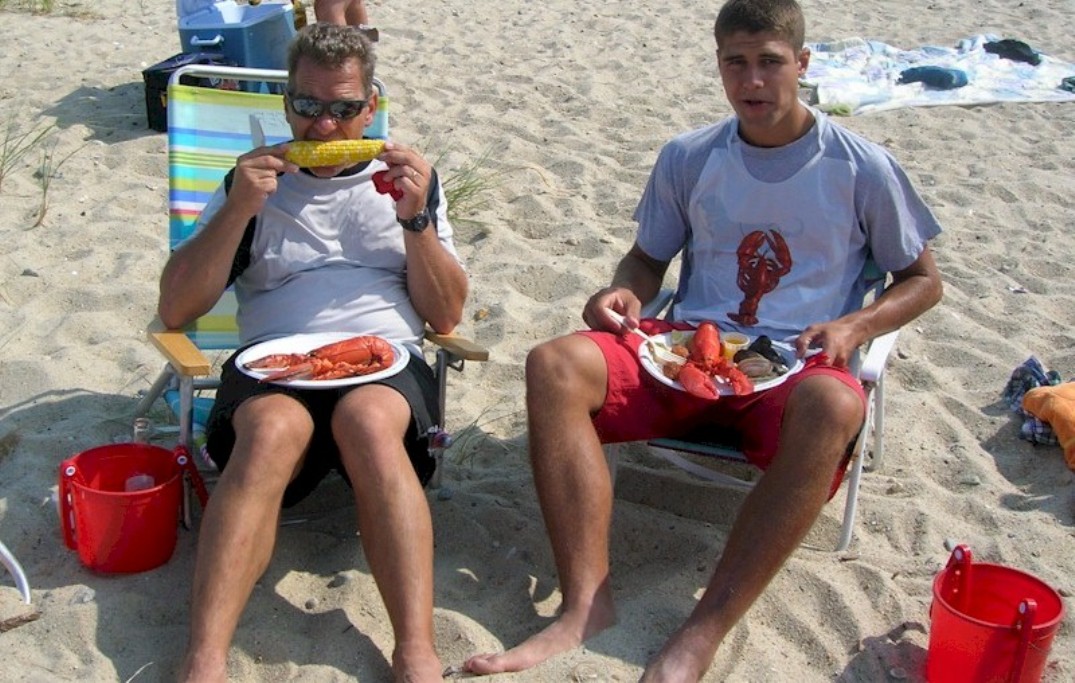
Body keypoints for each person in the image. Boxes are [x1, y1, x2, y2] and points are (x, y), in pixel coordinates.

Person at [464, 0, 943, 680]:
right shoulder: (689, 156)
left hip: (794, 359)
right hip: (686, 343)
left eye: (770, 63)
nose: (752, 81)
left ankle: (703, 628)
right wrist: (621, 290)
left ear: (802, 65)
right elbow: (645, 260)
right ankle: (582, 604)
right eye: (735, 62)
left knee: (837, 407)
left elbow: (922, 279)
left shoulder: (860, 167)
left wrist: (854, 325)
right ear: (718, 64)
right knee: (553, 362)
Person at [159, 23, 467, 683]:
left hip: (382, 360)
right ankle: (205, 658)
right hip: (274, 361)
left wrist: (415, 220)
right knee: (271, 429)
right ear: (285, 105)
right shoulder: (251, 181)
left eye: (343, 108)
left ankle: (414, 648)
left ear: (370, 106)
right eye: (307, 106)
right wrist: (238, 210)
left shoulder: (406, 180)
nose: (325, 126)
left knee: (369, 420)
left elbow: (444, 314)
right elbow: (176, 307)